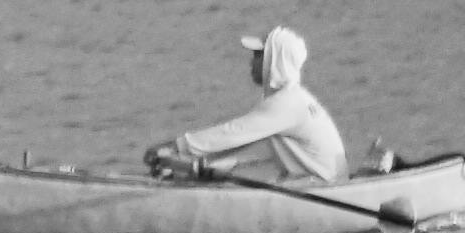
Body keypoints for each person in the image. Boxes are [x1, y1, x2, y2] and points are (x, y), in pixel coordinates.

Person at [147, 27, 344, 186]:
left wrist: (175, 147)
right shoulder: (291, 98)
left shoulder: (286, 103)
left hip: (322, 188)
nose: (252, 62)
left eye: (258, 55)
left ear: (275, 60)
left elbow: (232, 133)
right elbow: (243, 143)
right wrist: (195, 161)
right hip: (318, 182)